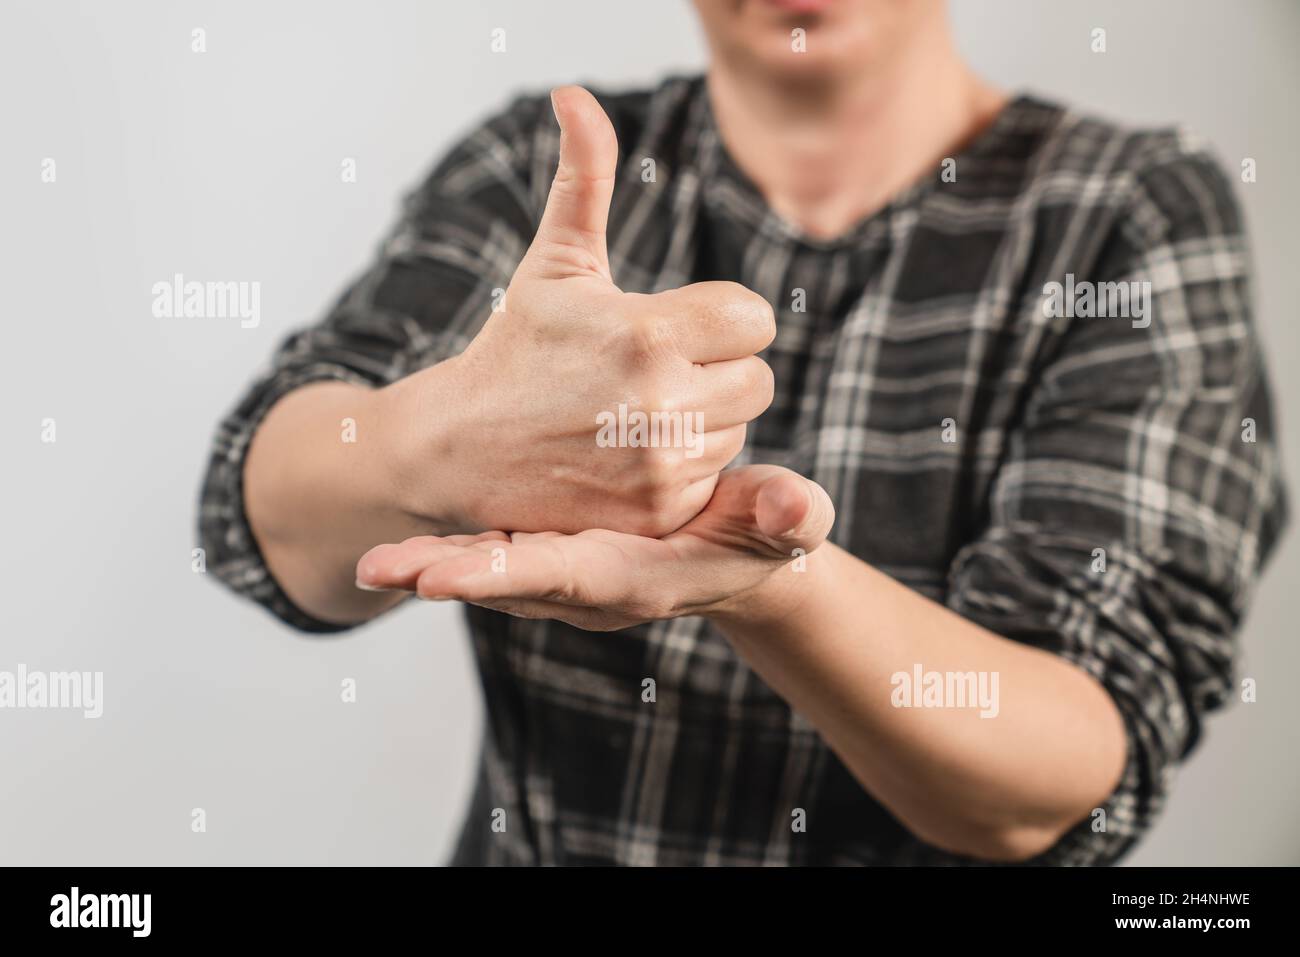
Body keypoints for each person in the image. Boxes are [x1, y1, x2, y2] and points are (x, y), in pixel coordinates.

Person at [198, 0, 1287, 865]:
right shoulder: (535, 170)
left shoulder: (1127, 213)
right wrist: (430, 445)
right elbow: (259, 524)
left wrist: (768, 585)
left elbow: (1060, 774)